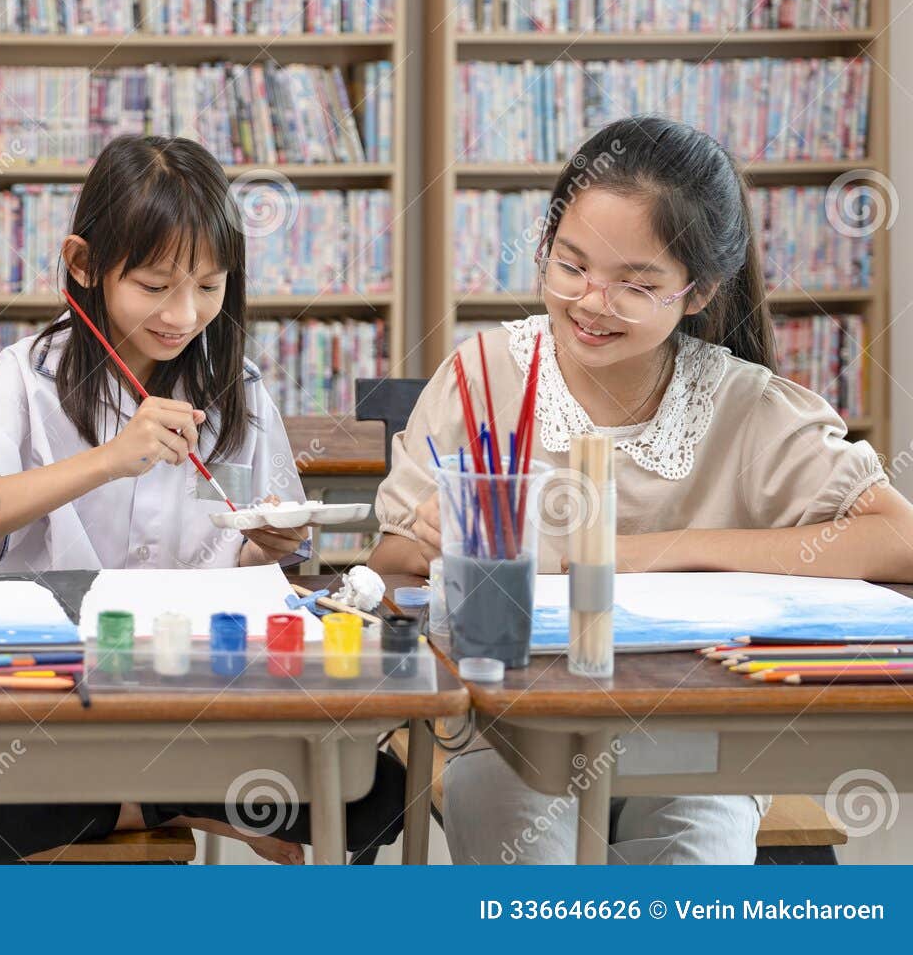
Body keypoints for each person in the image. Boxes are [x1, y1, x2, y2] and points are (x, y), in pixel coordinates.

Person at [0, 135, 406, 865]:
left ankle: (128, 795)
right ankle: (154, 798)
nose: (184, 313)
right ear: (84, 264)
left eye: (208, 287)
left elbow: (261, 541)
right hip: (53, 699)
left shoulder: (239, 388)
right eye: (153, 285)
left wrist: (269, 544)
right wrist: (106, 461)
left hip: (196, 692)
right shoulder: (24, 376)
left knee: (381, 798)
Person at [370, 115, 913, 864]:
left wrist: (660, 552)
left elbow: (898, 538)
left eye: (637, 284)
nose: (593, 302)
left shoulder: (743, 403)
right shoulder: (483, 376)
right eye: (571, 265)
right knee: (517, 851)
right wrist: (429, 538)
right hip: (514, 738)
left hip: (704, 738)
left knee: (697, 849)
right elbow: (393, 568)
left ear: (698, 293)